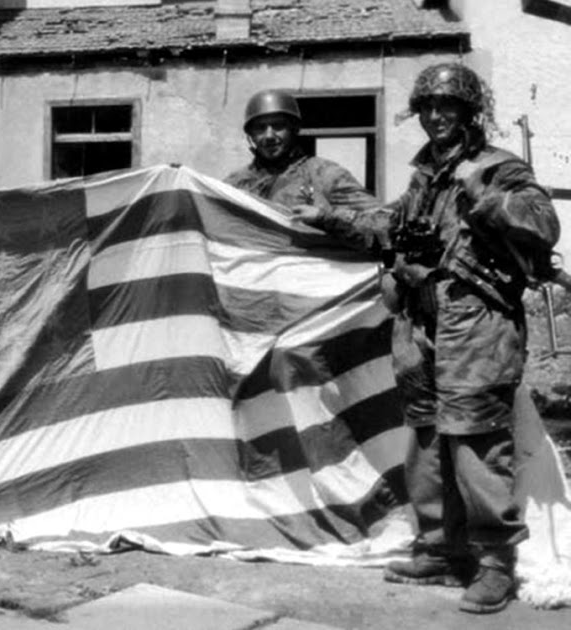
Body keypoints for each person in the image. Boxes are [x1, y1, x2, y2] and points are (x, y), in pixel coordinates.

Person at [290, 63, 560, 614]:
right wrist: (328, 218)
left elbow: (544, 223)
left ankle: (494, 563)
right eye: (429, 108)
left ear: (469, 112)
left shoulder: (497, 168)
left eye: (449, 107)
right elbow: (390, 226)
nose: (437, 117)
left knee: (476, 440)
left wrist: (485, 197)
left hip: (477, 322)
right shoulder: (424, 176)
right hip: (422, 317)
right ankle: (440, 547)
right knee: (426, 437)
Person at [224, 89, 380, 221]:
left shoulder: (324, 175)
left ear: (294, 129)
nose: (269, 135)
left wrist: (324, 217)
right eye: (260, 128)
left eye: (278, 126)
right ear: (250, 135)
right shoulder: (234, 184)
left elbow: (381, 221)